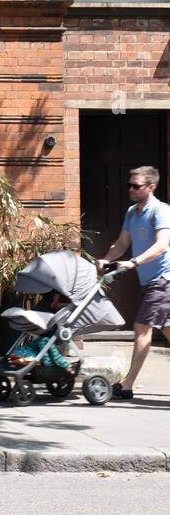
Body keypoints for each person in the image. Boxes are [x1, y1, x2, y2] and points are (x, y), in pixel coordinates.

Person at [97, 165, 170, 400]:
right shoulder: (132, 212)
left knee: (141, 328)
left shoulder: (160, 211)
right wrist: (106, 260)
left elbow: (161, 245)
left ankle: (127, 384)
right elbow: (121, 243)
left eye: (136, 186)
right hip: (148, 281)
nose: (131, 189)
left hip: (163, 279)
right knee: (167, 329)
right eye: (129, 185)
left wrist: (133, 262)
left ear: (151, 186)